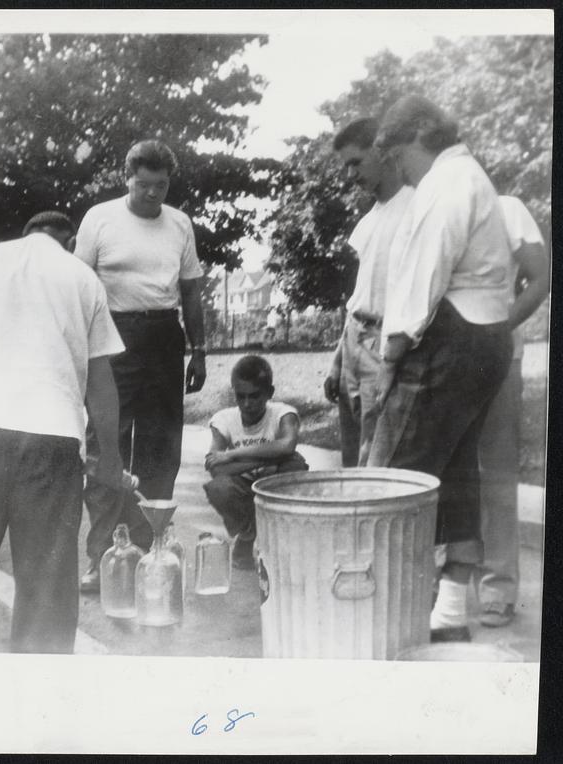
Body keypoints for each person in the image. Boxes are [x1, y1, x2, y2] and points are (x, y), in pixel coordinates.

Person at [0, 211, 124, 653]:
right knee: (47, 594)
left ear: (25, 233)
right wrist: (110, 458)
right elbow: (100, 382)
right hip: (50, 437)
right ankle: (38, 708)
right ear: (70, 239)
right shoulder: (82, 277)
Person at [368, 95, 514, 643]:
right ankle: (449, 609)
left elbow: (422, 279)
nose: (401, 175)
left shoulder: (447, 182)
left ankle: (377, 606)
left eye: (400, 160)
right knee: (454, 474)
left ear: (417, 140)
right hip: (485, 337)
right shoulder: (471, 176)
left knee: (392, 474)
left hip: (449, 338)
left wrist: (390, 357)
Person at [74, 139, 207, 592]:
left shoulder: (180, 224)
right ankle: (103, 556)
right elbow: (79, 284)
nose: (153, 194)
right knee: (106, 446)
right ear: (127, 178)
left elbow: (191, 290)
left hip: (164, 339)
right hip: (111, 339)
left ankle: (151, 552)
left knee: (160, 450)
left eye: (162, 185)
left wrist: (200, 348)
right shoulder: (100, 218)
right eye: (144, 184)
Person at [474, 196, 549, 627]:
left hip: (497, 357)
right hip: (440, 362)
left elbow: (540, 277)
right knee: (443, 473)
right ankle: (442, 583)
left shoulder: (506, 208)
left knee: (496, 473)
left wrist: (501, 328)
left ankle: (498, 587)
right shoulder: (428, 209)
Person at [324, 118, 414, 466]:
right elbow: (361, 296)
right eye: (346, 165)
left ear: (382, 152)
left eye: (356, 163)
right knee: (351, 458)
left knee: (373, 456)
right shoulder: (369, 220)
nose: (350, 175)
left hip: (385, 342)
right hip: (353, 342)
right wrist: (336, 361)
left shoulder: (415, 208)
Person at [204, 355, 308, 569]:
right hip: (243, 484)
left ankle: (282, 543)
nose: (247, 404)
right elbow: (214, 466)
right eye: (240, 396)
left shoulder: (284, 414)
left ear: (269, 393)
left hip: (273, 482)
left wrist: (234, 455)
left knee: (295, 467)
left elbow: (287, 445)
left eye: (254, 396)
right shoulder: (224, 419)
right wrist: (273, 455)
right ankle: (247, 533)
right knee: (218, 488)